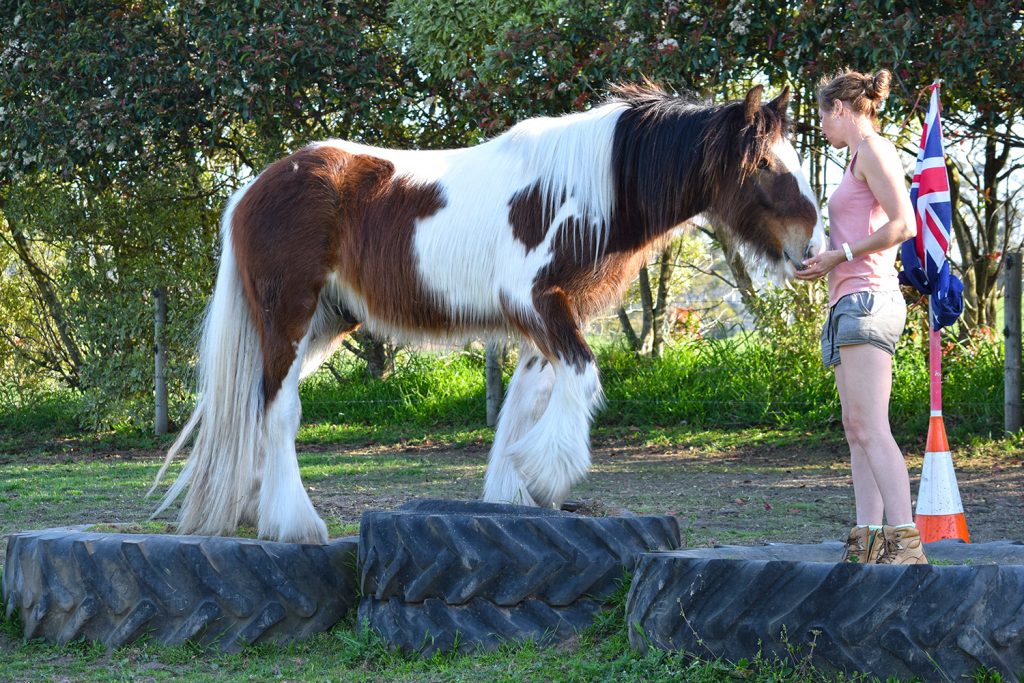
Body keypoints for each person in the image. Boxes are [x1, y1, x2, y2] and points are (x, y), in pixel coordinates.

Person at [796, 68, 927, 565]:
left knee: (872, 426)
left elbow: (904, 224)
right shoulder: (856, 158)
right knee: (856, 427)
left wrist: (841, 253)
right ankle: (867, 539)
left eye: (823, 114)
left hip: (869, 300)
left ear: (842, 109)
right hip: (846, 301)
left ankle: (906, 543)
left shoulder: (875, 151)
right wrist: (821, 259)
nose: (822, 126)